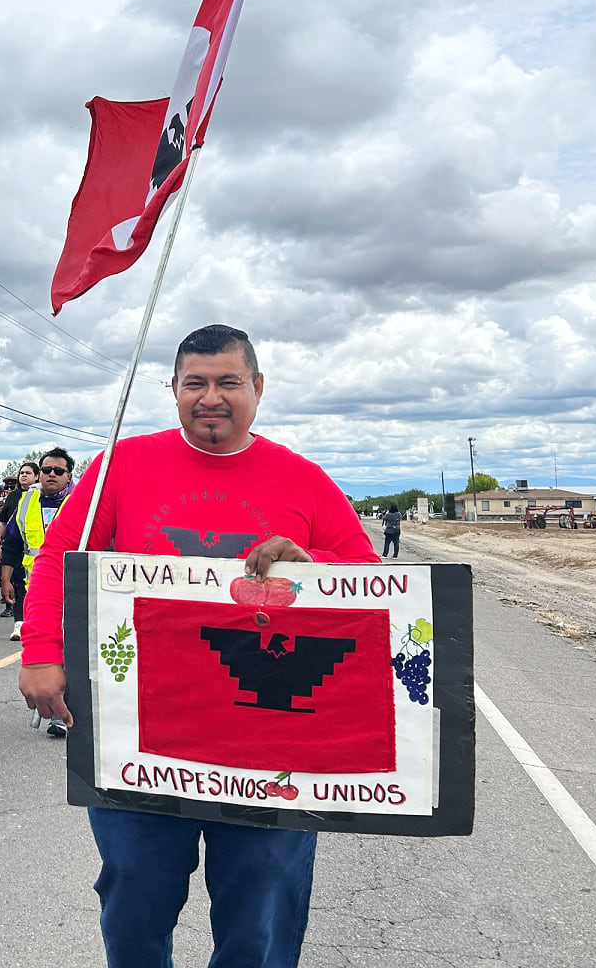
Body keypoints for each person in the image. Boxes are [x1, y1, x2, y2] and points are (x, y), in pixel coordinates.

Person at [19, 324, 380, 968]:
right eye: (196, 383)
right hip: (142, 732)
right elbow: (57, 560)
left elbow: (372, 585)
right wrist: (42, 652)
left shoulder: (305, 480)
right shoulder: (119, 467)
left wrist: (312, 563)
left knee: (262, 907)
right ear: (175, 391)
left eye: (228, 382)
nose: (211, 397)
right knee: (133, 896)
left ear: (258, 388)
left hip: (271, 744)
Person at [1, 449, 73, 712]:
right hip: (38, 590)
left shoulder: (81, 501)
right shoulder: (26, 500)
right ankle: (54, 704)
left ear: (69, 476)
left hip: (74, 588)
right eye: (46, 470)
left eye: (58, 471)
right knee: (47, 651)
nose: (51, 475)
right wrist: (6, 578)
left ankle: (64, 706)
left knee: (70, 651)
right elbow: (13, 542)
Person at [0, 463, 37, 618]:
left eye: (28, 473)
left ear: (37, 476)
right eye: (21, 473)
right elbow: (3, 522)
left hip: (32, 551)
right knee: (15, 582)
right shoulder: (13, 497)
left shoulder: (42, 496)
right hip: (15, 545)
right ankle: (16, 616)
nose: (24, 476)